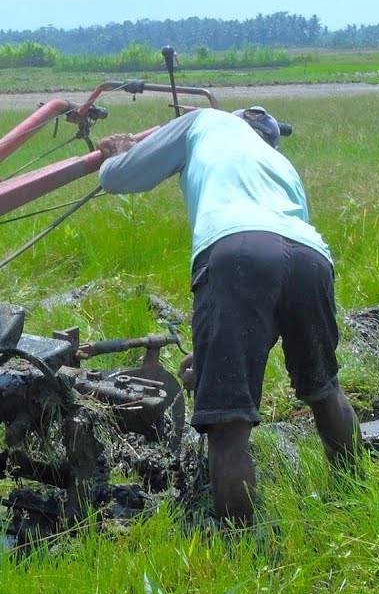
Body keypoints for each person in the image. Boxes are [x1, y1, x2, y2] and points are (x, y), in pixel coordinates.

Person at [97, 105, 361, 531]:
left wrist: (120, 153)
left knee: (228, 427)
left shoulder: (204, 119)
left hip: (235, 251)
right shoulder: (281, 164)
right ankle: (356, 499)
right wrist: (209, 356)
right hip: (311, 258)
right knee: (325, 392)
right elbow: (280, 268)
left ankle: (241, 550)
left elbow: (118, 177)